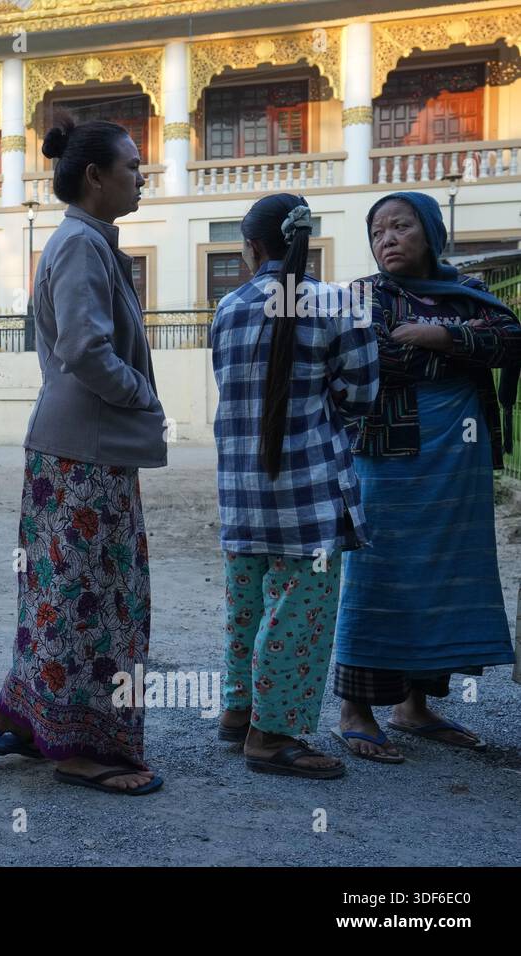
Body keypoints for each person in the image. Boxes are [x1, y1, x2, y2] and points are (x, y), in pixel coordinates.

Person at [0, 115, 167, 795]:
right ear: (95, 176)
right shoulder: (82, 245)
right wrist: (142, 392)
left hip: (78, 448)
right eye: (133, 166)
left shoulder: (82, 241)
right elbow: (86, 349)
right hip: (84, 453)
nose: (141, 175)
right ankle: (79, 747)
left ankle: (23, 716)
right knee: (90, 600)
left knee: (63, 593)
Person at [334, 191, 521, 758]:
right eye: (377, 231)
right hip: (389, 455)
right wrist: (467, 348)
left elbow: (512, 339)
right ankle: (356, 707)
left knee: (444, 572)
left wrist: (440, 335)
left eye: (401, 226)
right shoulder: (363, 296)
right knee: (380, 571)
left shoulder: (468, 293)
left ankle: (415, 706)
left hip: (457, 462)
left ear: (432, 233)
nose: (386, 239)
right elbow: (378, 358)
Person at [210, 193, 378, 778]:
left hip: (241, 493)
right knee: (297, 615)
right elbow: (360, 396)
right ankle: (274, 735)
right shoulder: (343, 303)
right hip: (308, 492)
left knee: (247, 606)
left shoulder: (227, 308)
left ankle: (239, 714)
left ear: (252, 248)